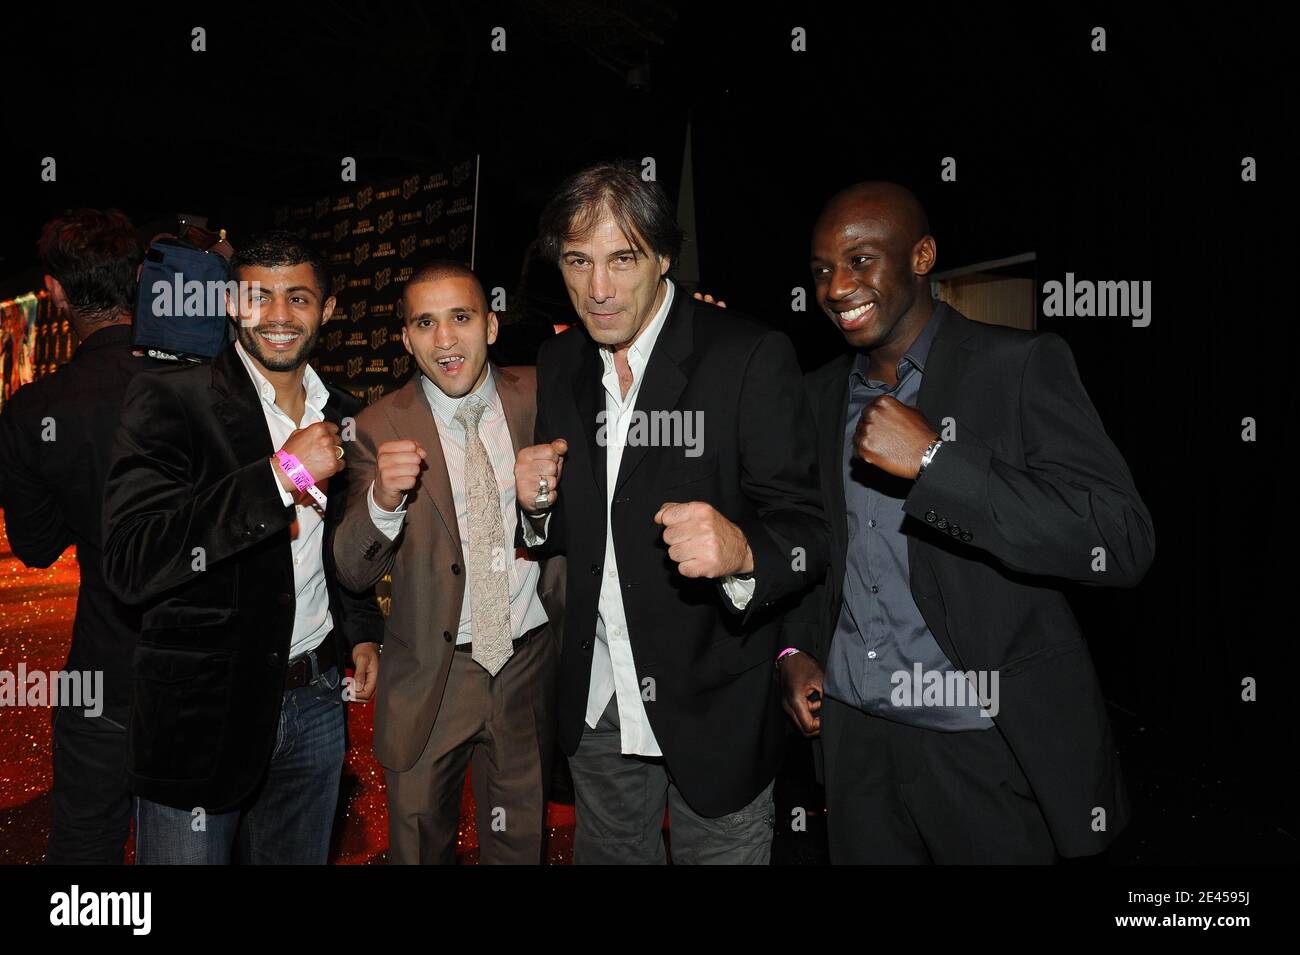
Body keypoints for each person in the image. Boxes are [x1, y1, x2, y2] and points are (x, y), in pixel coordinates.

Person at [780, 182, 1155, 863]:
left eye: (861, 260)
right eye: (821, 270)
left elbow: (1119, 536)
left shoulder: (1018, 367)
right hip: (856, 740)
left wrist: (934, 460)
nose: (837, 287)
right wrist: (795, 649)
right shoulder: (819, 393)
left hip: (981, 740)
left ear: (922, 255)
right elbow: (820, 543)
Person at [515, 161, 828, 864]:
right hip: (598, 703)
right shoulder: (560, 360)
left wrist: (744, 551)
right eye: (577, 260)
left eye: (622, 259)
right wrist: (536, 509)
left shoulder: (747, 355)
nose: (598, 289)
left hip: (716, 708)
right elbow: (577, 528)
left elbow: (808, 533)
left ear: (662, 256)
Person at [101, 231, 381, 864]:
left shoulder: (345, 413)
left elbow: (331, 550)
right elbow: (132, 560)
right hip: (201, 712)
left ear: (328, 310)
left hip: (315, 703)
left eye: (299, 298)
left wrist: (361, 630)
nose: (278, 317)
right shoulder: (171, 398)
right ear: (230, 302)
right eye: (259, 297)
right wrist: (280, 477)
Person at [333, 260, 564, 864]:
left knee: (521, 846)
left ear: (490, 325)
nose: (444, 340)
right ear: (406, 338)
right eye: (425, 323)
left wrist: (537, 510)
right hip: (431, 677)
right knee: (417, 848)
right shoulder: (375, 425)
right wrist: (383, 501)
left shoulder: (544, 394)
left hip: (526, 663)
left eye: (460, 318)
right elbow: (353, 570)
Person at [0, 209, 145, 863]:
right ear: (141, 280)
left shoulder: (35, 410)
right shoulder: (198, 386)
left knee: (85, 847)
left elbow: (32, 547)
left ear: (54, 292)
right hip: (198, 671)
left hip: (103, 669)